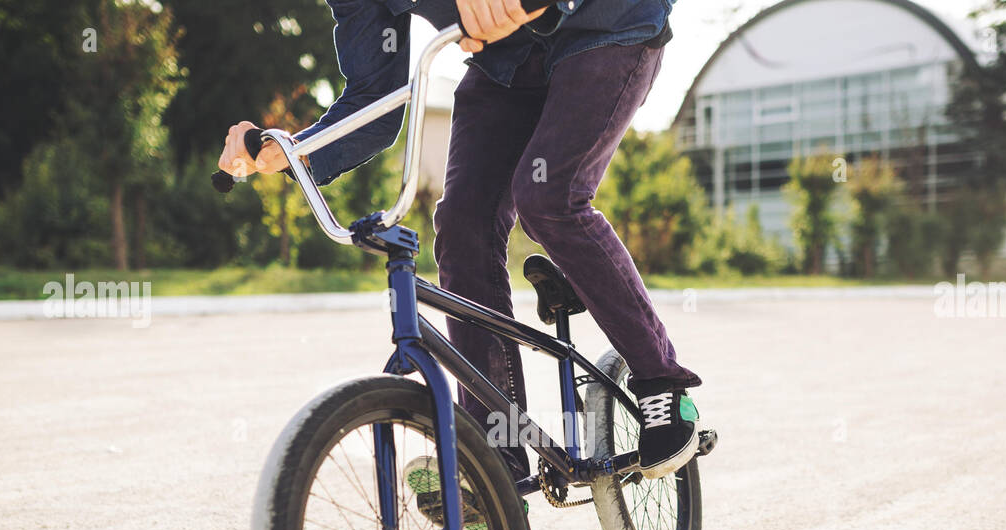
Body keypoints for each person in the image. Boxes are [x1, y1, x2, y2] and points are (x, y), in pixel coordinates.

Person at [219, 0, 702, 481]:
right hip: (507, 67)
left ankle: (662, 381)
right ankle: (498, 452)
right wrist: (290, 153)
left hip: (607, 28)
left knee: (548, 197)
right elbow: (372, 100)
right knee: (461, 225)